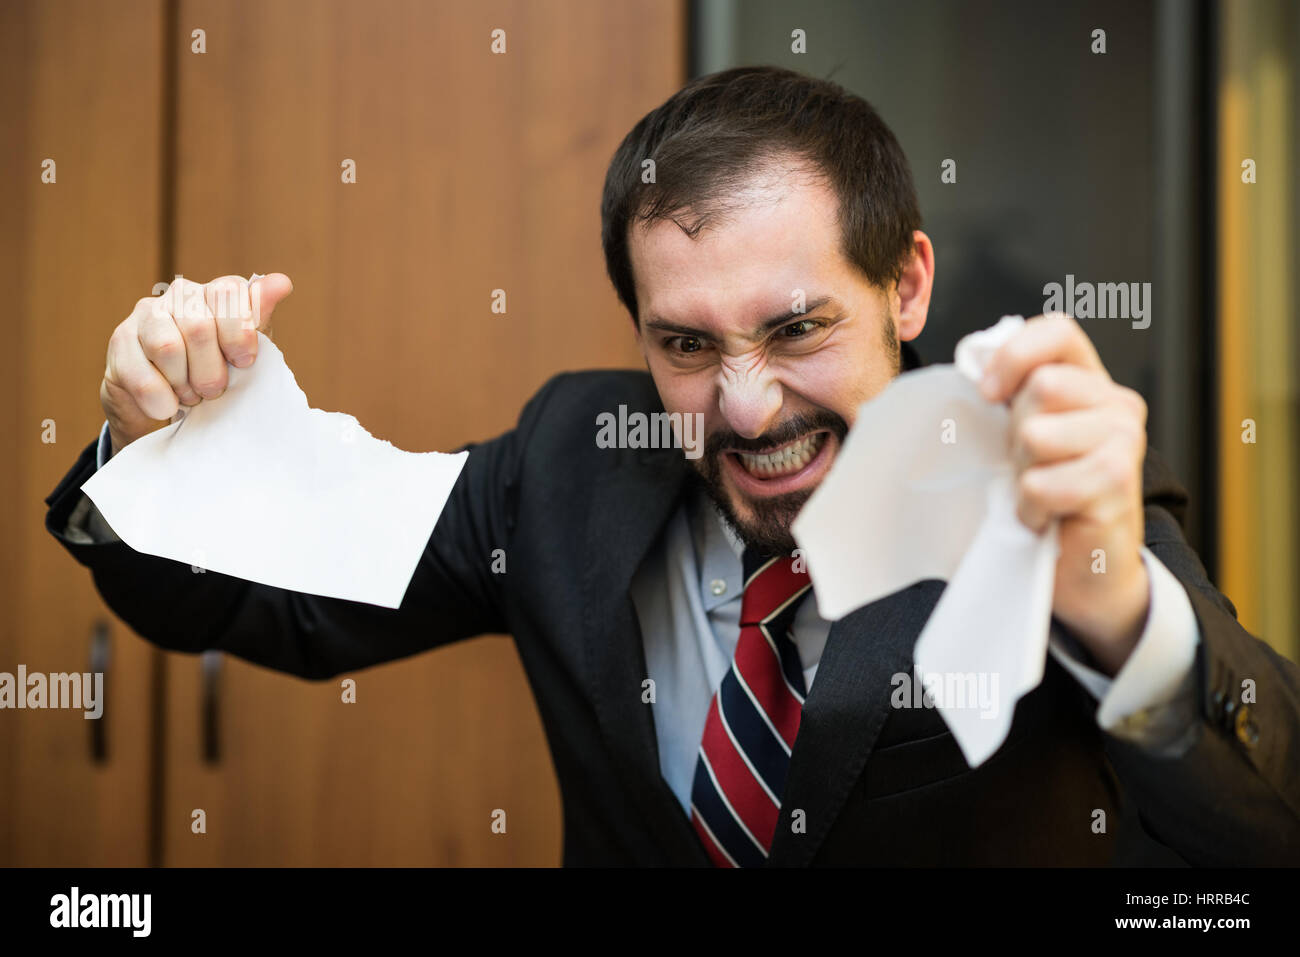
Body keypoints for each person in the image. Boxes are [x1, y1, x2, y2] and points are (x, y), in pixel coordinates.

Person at [46, 65, 1300, 866]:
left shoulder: (1034, 485)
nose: (745, 406)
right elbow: (248, 600)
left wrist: (1129, 625)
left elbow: (1264, 820)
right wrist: (156, 449)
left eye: (798, 328)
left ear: (904, 284)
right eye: (686, 344)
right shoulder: (565, 467)